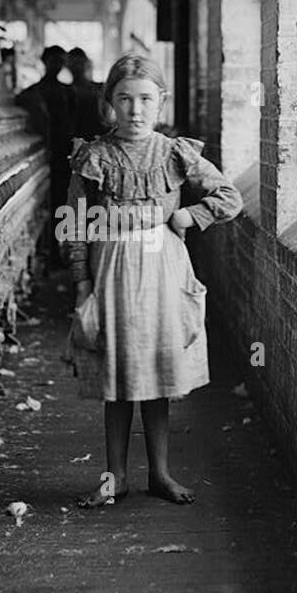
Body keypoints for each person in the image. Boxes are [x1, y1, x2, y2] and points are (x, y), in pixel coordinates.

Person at [64, 55, 242, 506]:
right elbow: (74, 224)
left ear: (160, 101)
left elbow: (230, 197)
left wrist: (190, 214)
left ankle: (160, 474)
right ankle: (115, 478)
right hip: (111, 272)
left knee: (158, 372)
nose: (135, 110)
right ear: (109, 104)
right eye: (124, 99)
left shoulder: (175, 153)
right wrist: (81, 283)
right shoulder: (93, 156)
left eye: (145, 99)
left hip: (163, 270)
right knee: (118, 373)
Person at [15, 46, 74, 264]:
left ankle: (58, 251)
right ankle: (50, 251)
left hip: (62, 156)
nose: (57, 65)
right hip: (43, 153)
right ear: (44, 61)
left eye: (60, 61)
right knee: (45, 204)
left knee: (61, 204)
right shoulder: (35, 93)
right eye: (53, 60)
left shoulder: (66, 92)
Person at [66, 47, 105, 140]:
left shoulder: (99, 89)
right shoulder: (65, 91)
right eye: (74, 63)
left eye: (79, 63)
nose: (77, 67)